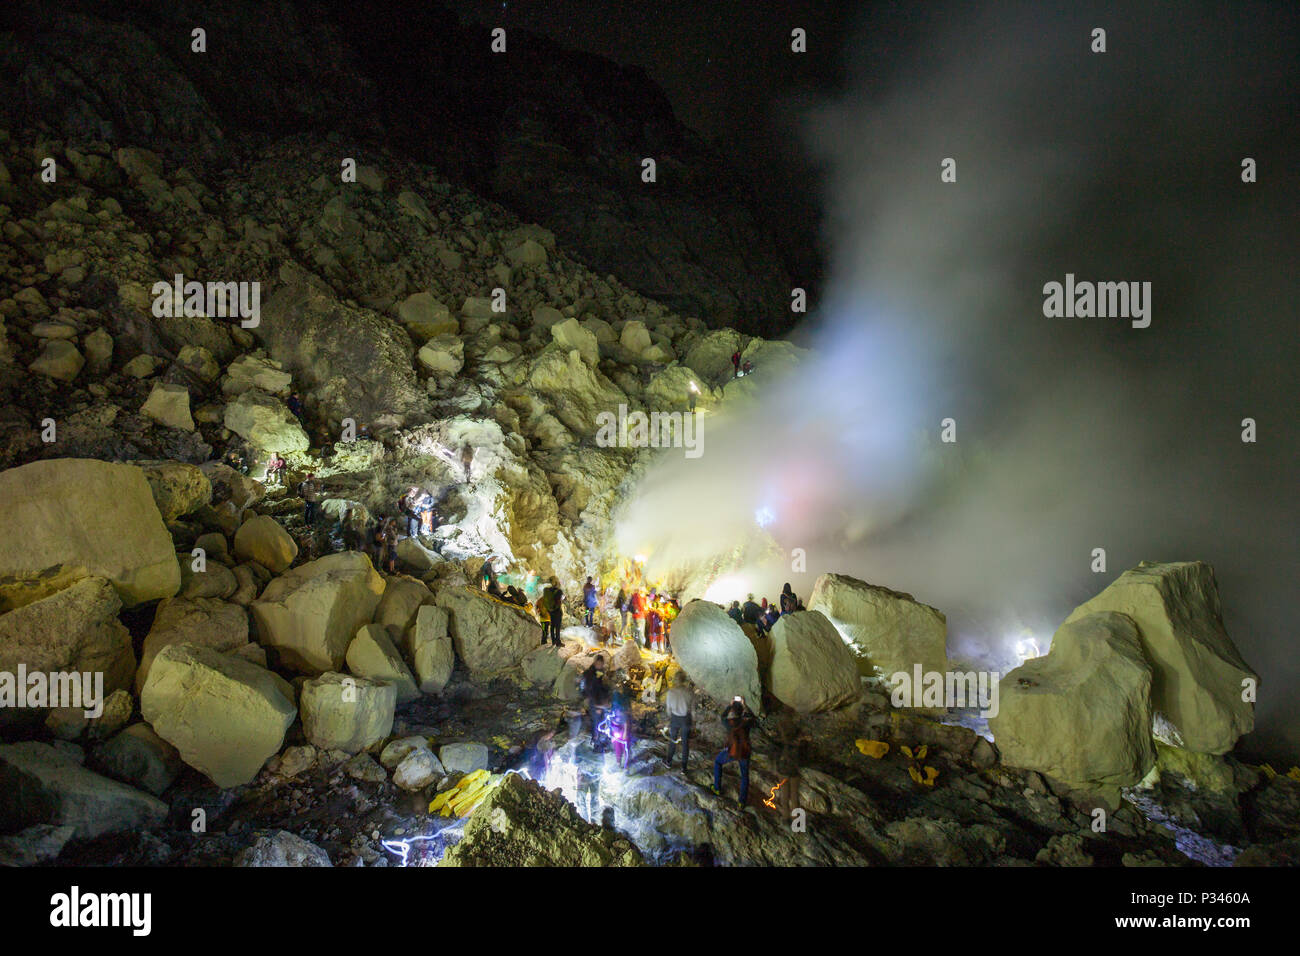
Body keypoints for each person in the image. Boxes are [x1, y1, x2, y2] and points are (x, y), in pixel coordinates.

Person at [712, 695, 758, 807]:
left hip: (732, 752)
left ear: (733, 711)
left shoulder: (729, 723)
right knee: (744, 776)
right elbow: (753, 719)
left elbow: (722, 717)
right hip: (744, 752)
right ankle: (741, 802)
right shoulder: (746, 722)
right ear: (742, 711)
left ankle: (717, 788)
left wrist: (730, 705)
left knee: (718, 762)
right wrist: (745, 705)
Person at [774, 707, 808, 819]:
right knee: (794, 797)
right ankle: (797, 823)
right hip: (794, 770)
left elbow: (774, 748)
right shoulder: (797, 733)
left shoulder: (780, 731)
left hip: (783, 769)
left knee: (784, 795)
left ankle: (785, 817)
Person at [663, 672, 694, 772]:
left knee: (672, 740)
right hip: (686, 718)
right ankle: (684, 768)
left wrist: (669, 718)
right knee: (685, 743)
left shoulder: (671, 692)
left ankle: (668, 762)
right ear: (684, 680)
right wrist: (694, 722)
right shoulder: (690, 692)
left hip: (675, 718)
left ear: (675, 680)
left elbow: (668, 709)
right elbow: (693, 709)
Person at [581, 656, 610, 751]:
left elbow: (602, 688)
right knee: (596, 723)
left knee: (602, 721)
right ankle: (596, 744)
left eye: (601, 664)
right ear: (595, 663)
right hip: (595, 702)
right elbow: (591, 691)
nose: (599, 665)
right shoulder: (590, 674)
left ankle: (602, 740)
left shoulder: (600, 673)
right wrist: (597, 705)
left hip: (601, 702)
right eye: (598, 663)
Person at [542, 577, 563, 647]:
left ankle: (553, 641)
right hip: (557, 611)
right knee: (557, 627)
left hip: (550, 611)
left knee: (552, 626)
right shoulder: (559, 591)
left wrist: (550, 609)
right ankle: (558, 642)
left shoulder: (547, 591)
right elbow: (558, 601)